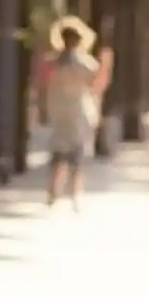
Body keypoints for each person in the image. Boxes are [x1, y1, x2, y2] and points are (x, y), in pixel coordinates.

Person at [38, 16, 113, 210]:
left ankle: (53, 193)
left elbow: (41, 84)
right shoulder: (82, 62)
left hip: (58, 112)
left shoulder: (52, 63)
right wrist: (106, 66)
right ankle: (74, 195)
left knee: (59, 156)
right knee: (75, 158)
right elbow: (97, 84)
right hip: (78, 114)